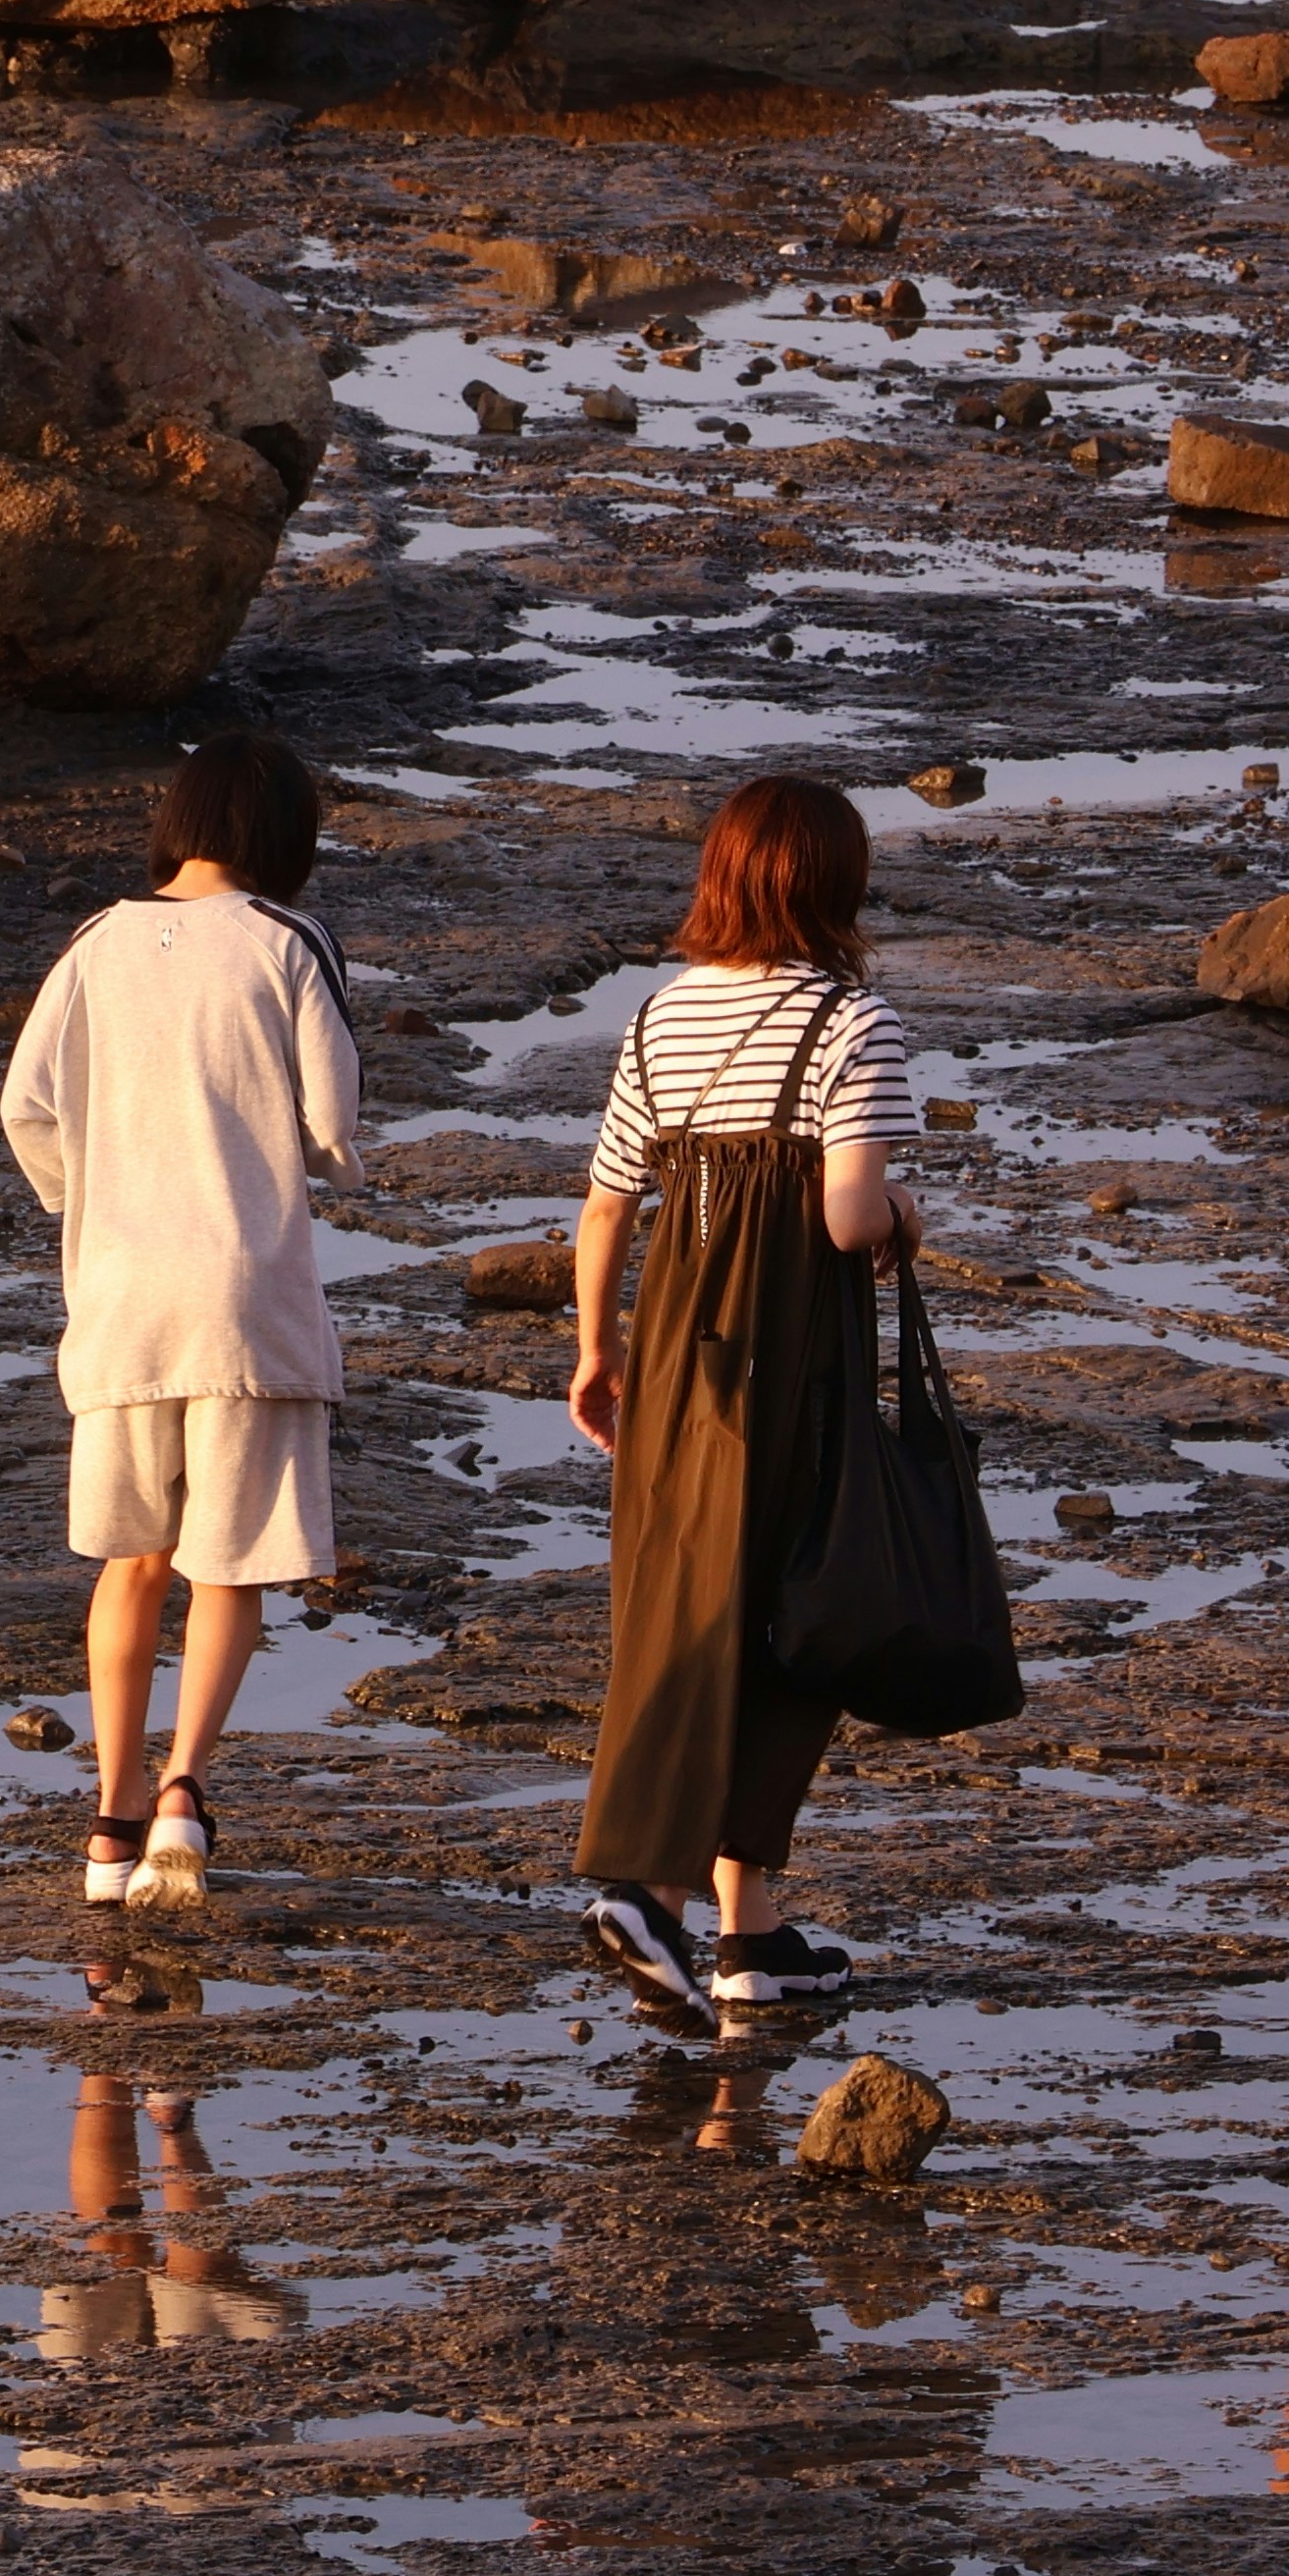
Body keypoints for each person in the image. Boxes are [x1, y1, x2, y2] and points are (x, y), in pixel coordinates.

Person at [564, 774, 924, 2025]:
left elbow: (609, 1201)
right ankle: (650, 1889)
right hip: (790, 1368)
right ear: (836, 886)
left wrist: (595, 1353)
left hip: (675, 1357)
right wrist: (898, 1217)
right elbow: (842, 1214)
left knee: (685, 1611)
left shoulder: (663, 1016)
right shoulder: (853, 1024)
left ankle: (749, 1937)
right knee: (803, 1620)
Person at [0, 733, 363, 1911]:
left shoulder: (94, 944)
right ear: (283, 837)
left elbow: (25, 1106)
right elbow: (332, 1120)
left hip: (117, 1293)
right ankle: (183, 1796)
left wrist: (86, 1195)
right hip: (243, 1295)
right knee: (229, 1563)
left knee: (132, 1559)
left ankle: (106, 1817)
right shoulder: (288, 942)